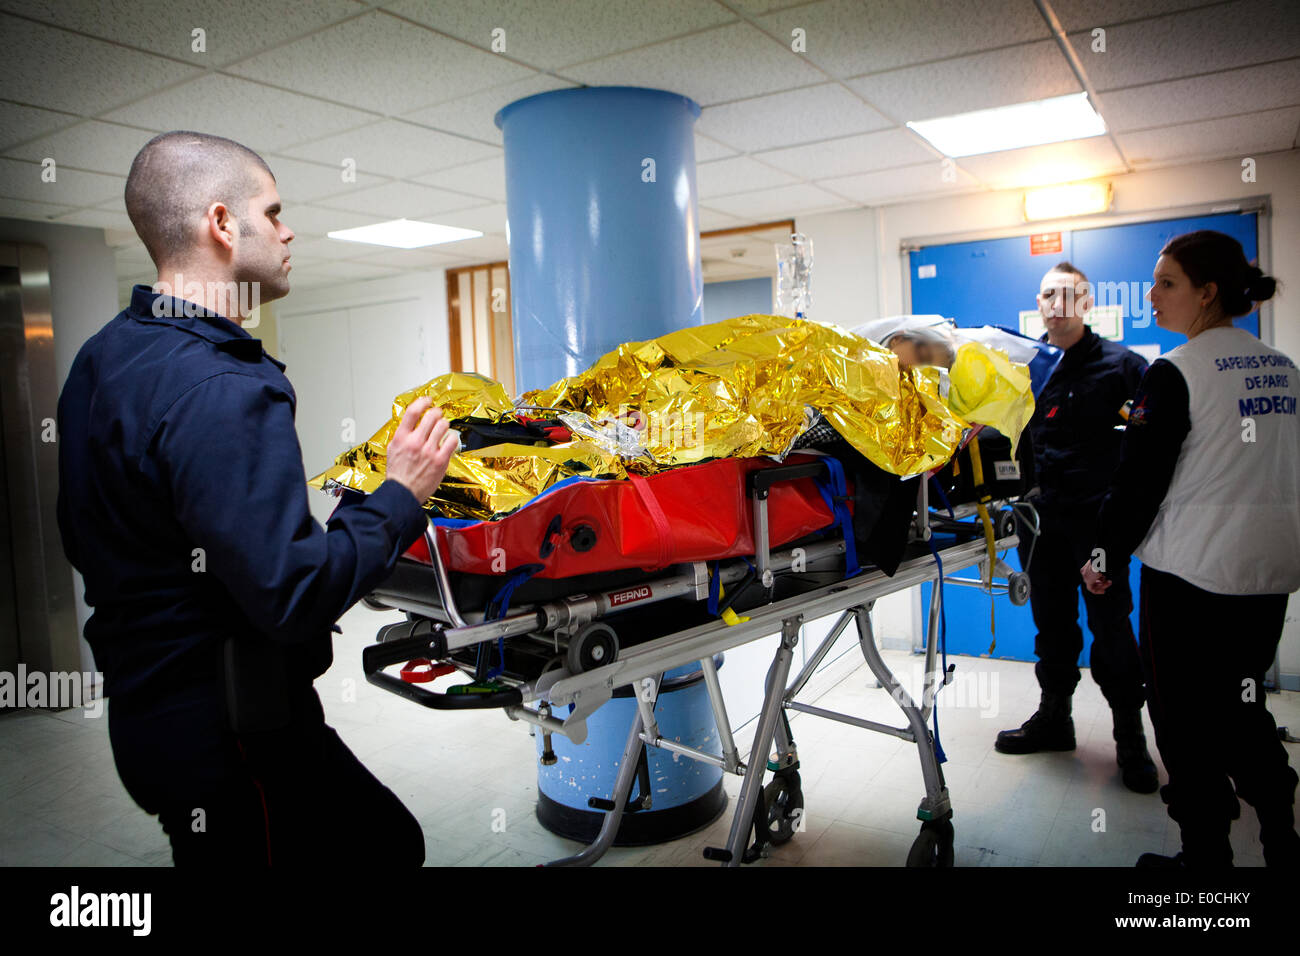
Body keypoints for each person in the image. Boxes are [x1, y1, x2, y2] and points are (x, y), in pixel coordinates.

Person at [56, 131, 458, 865]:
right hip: (232, 729)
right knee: (385, 847)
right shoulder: (223, 387)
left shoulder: (105, 357)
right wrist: (400, 492)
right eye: (272, 212)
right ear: (220, 224)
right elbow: (295, 592)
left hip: (149, 717)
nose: (288, 229)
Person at [1082, 230, 1300, 867]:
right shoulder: (1284, 370)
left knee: (1181, 720)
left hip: (1192, 578)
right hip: (1267, 577)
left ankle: (1205, 862)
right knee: (1243, 704)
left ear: (1208, 293)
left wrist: (1104, 557)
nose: (1152, 295)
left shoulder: (1177, 373)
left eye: (1167, 283)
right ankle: (1282, 837)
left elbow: (1137, 485)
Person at [995, 261, 1160, 795]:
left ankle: (1130, 740)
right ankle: (1055, 720)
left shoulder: (1124, 367)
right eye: (1047, 295)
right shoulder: (1026, 367)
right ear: (1038, 303)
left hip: (1098, 526)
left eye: (1068, 295)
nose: (1056, 305)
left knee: (1112, 631)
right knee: (1053, 628)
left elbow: (1146, 455)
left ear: (1087, 304)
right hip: (1039, 525)